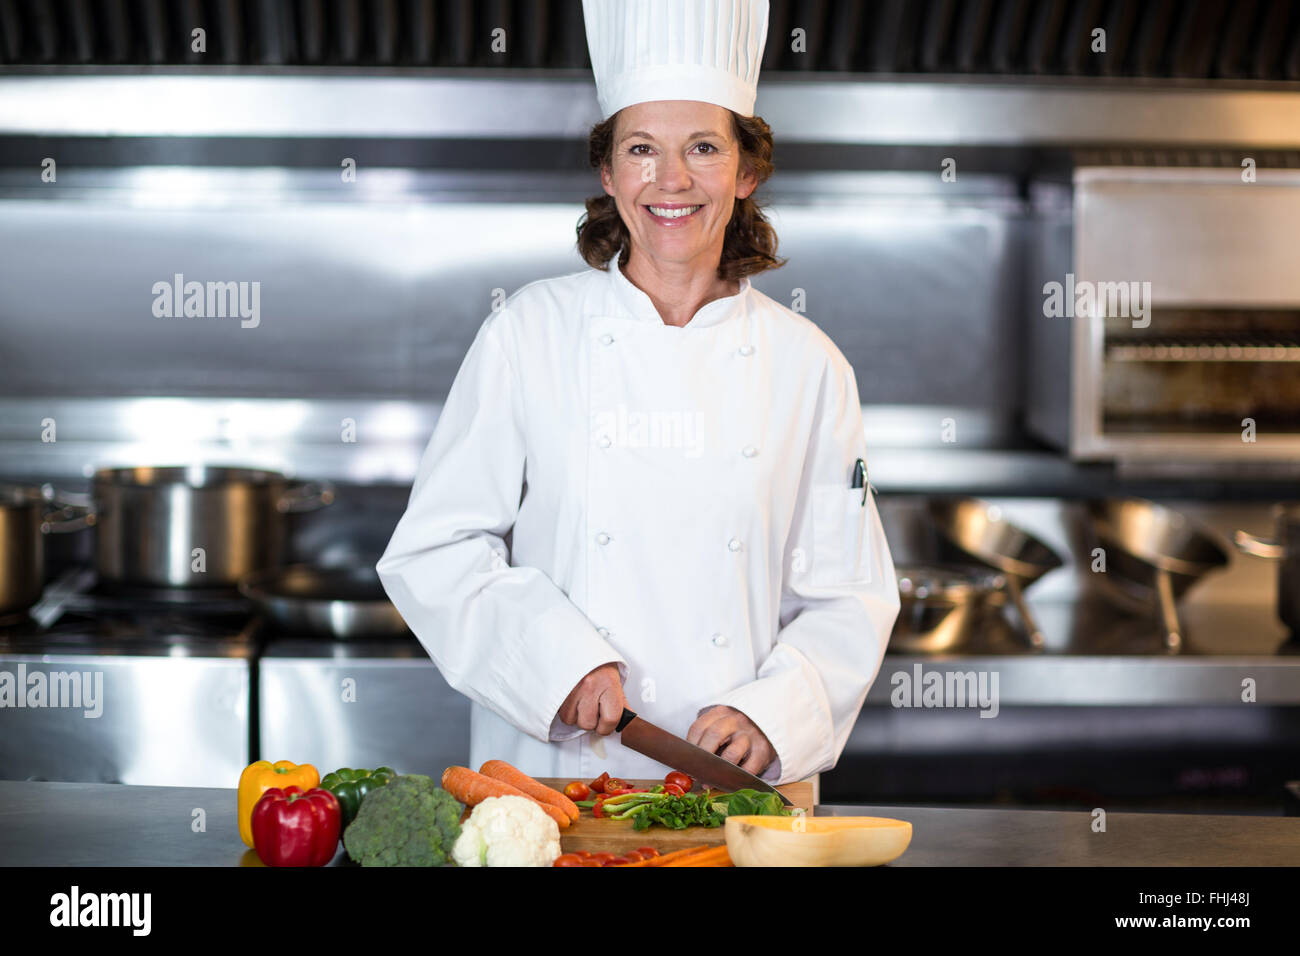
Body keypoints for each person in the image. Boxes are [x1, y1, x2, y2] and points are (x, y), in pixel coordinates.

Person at [376, 0, 900, 786]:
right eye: (642, 149)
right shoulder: (528, 334)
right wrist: (555, 665)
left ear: (747, 171)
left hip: (735, 793)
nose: (672, 180)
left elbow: (849, 593)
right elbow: (436, 551)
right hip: (554, 779)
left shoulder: (811, 367)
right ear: (609, 172)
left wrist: (773, 714)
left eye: (703, 148)